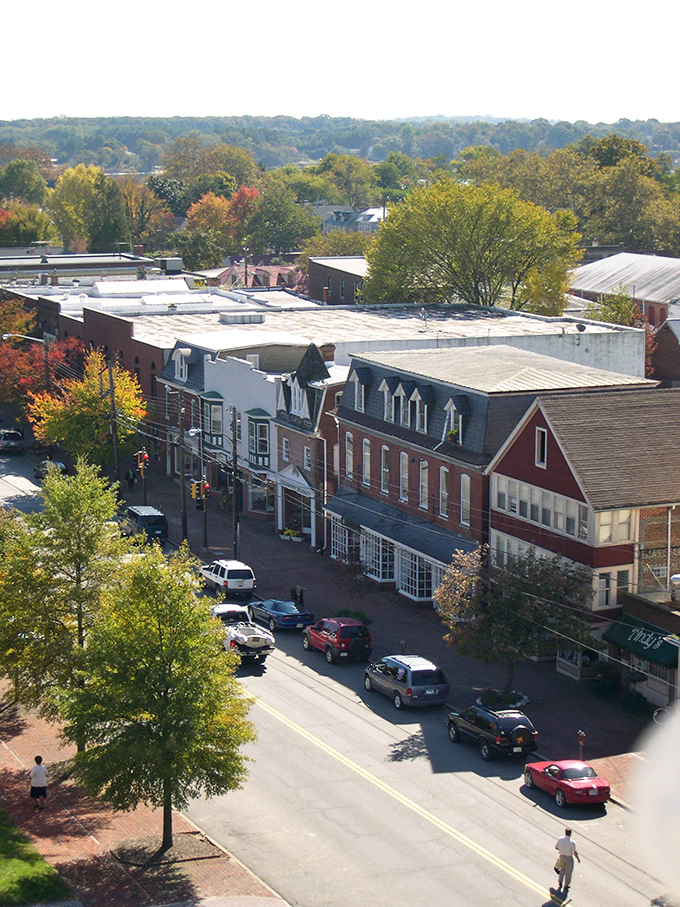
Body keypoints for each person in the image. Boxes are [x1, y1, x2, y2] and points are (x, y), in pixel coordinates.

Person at [554, 827, 580, 893]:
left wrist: (561, 849)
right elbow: (574, 851)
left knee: (562, 869)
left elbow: (556, 847)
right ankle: (566, 885)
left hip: (562, 857)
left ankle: (560, 882)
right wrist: (578, 858)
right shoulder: (572, 842)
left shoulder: (560, 839)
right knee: (568, 872)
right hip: (568, 858)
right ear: (570, 834)